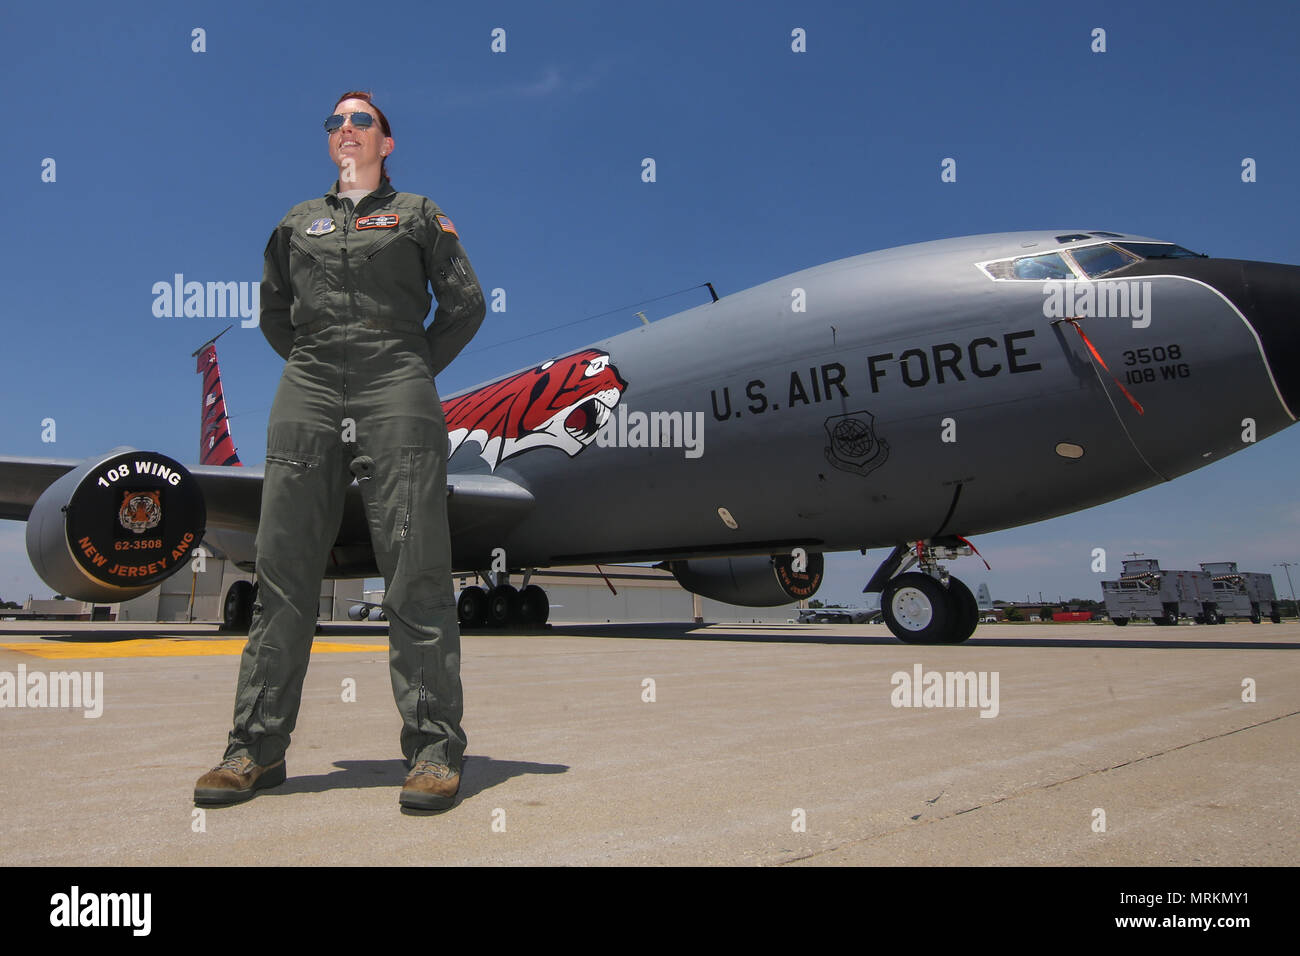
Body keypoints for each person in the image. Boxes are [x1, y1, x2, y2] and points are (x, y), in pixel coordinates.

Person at [195, 91, 486, 812]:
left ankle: (433, 752)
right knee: (283, 571)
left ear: (387, 142)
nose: (346, 129)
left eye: (361, 120)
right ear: (330, 144)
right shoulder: (298, 223)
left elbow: (465, 304)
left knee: (415, 571)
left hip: (397, 384)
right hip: (311, 387)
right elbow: (272, 311)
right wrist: (316, 369)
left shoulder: (419, 214)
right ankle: (254, 750)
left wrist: (410, 367)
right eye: (336, 123)